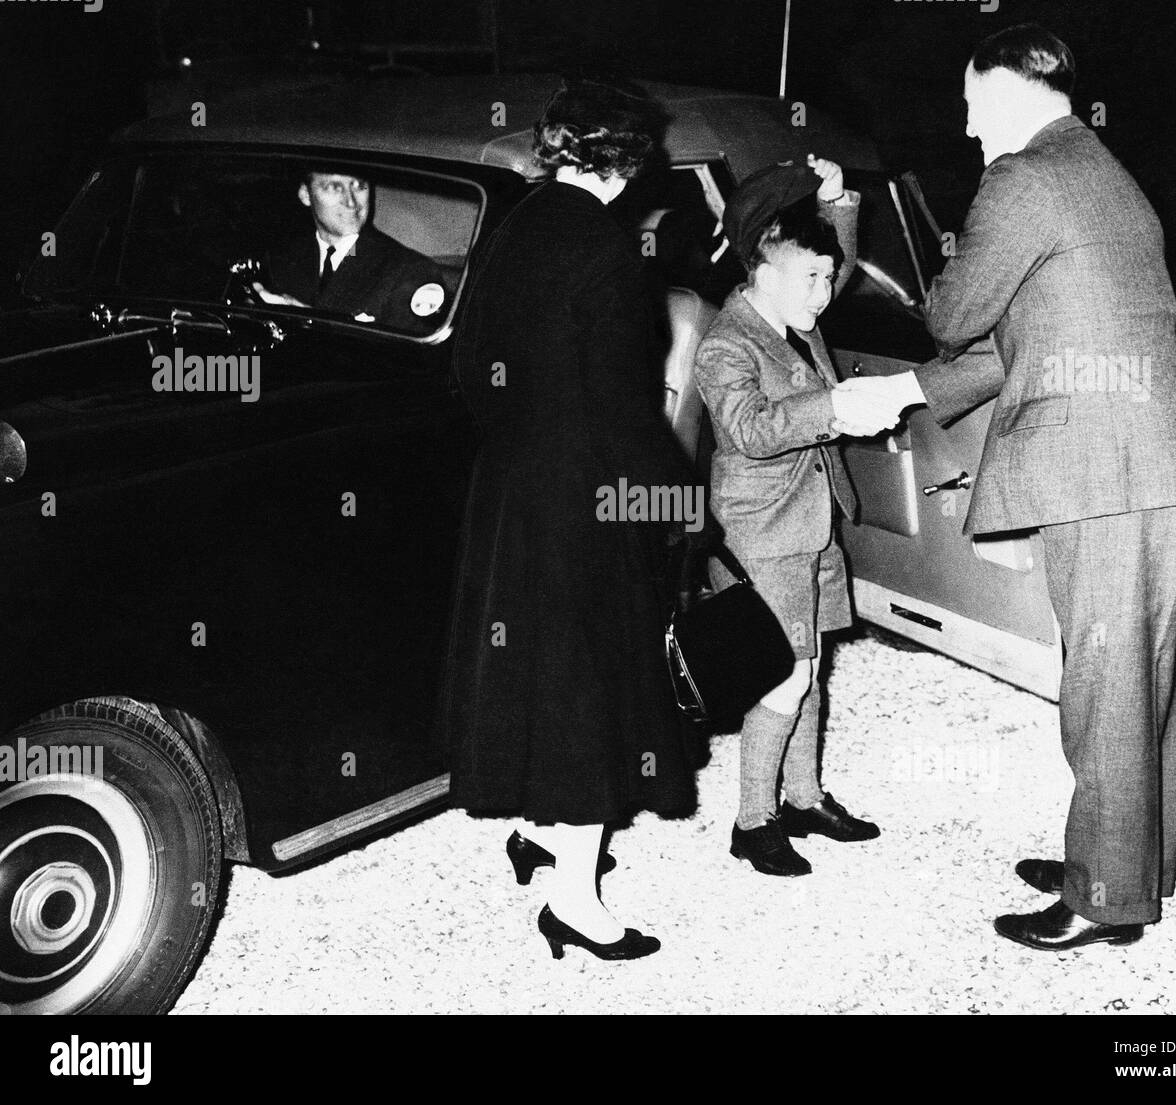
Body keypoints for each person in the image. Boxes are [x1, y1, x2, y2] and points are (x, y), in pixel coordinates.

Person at [857, 24, 1176, 948]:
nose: (970, 128)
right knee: (1145, 683)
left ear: (1016, 93)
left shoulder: (1022, 179)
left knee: (1105, 685)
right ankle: (1130, 867)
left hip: (1107, 471)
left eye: (975, 106)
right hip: (1161, 459)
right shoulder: (1099, 169)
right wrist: (900, 392)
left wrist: (920, 251)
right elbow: (1026, 338)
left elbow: (952, 317)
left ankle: (1102, 900)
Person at [438, 78, 703, 960]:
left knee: (534, 678)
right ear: (626, 162)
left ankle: (543, 836)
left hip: (512, 489)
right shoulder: (608, 248)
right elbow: (627, 408)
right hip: (587, 499)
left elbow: (470, 369)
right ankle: (575, 905)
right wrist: (675, 500)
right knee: (592, 690)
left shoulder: (512, 227)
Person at [694, 157, 895, 878]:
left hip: (812, 523)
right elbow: (748, 429)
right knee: (782, 676)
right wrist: (834, 407)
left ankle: (804, 797)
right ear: (762, 270)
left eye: (824, 276)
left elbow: (828, 267)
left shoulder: (792, 312)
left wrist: (839, 199)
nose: (824, 291)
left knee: (810, 666)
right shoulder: (727, 342)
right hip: (763, 537)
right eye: (809, 278)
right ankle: (754, 820)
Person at [255, 169, 450, 332]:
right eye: (334, 187)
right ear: (305, 195)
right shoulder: (281, 258)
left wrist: (309, 321)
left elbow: (407, 365)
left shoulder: (410, 271)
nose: (351, 202)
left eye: (358, 185)